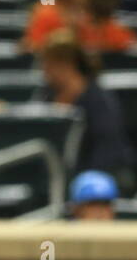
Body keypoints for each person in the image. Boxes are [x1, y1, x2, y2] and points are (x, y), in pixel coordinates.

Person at [38, 32, 130, 180]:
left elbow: (107, 150)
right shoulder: (46, 95)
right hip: (56, 175)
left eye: (49, 65)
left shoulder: (98, 99)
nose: (44, 71)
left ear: (66, 64)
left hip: (97, 175)